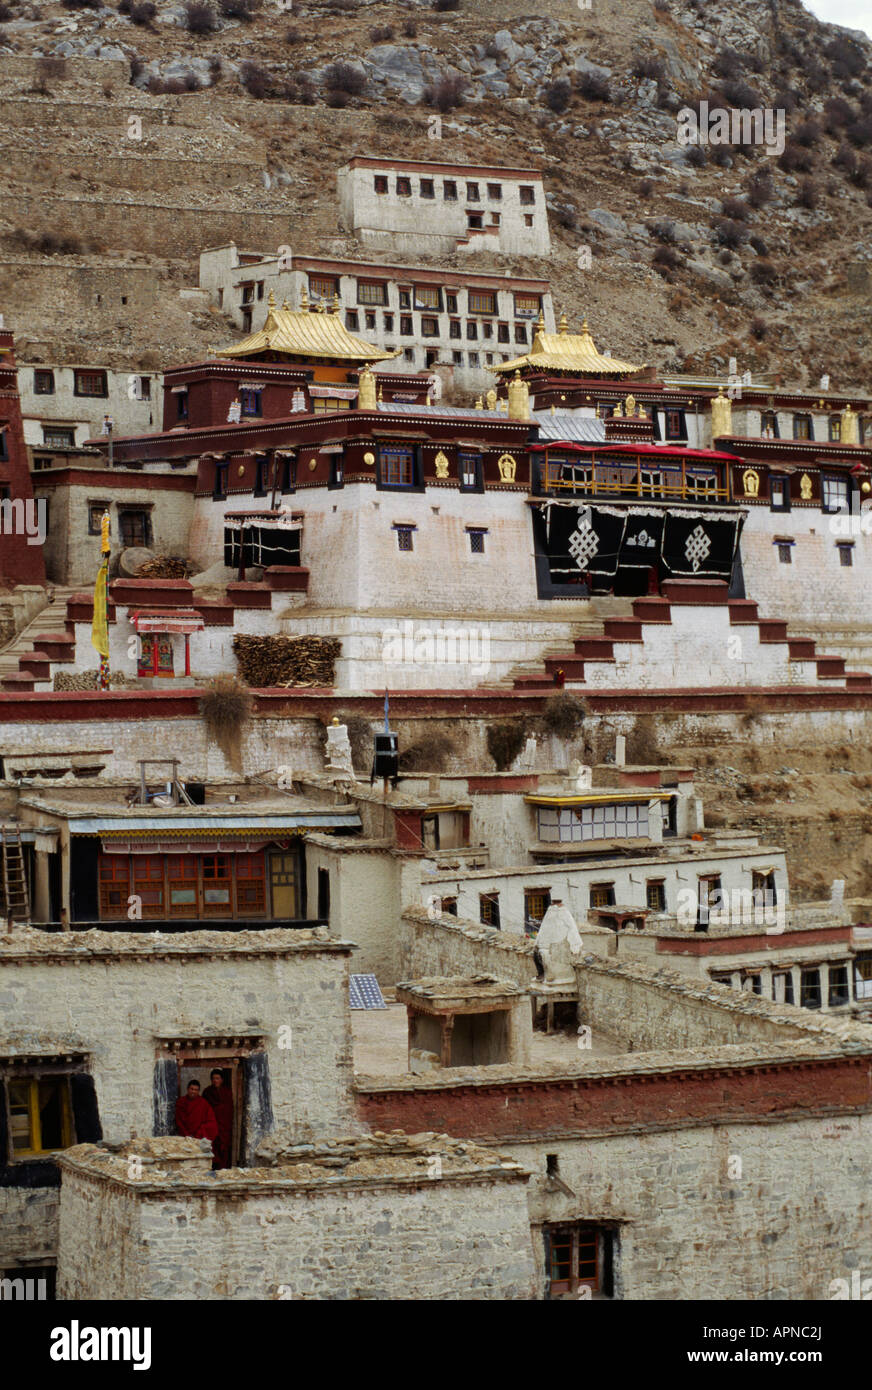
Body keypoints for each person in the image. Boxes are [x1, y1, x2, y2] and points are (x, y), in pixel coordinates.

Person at [203, 1070, 234, 1170]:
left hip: (225, 1125)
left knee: (224, 1147)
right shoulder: (207, 1092)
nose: (215, 1081)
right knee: (213, 1147)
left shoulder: (227, 1092)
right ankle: (213, 1168)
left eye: (217, 1078)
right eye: (213, 1079)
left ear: (222, 1080)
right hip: (213, 1124)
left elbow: (230, 1109)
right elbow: (205, 1109)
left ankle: (225, 1168)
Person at [174, 1079, 218, 1150]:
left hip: (199, 1138)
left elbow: (211, 1122)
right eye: (192, 1089)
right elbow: (179, 1120)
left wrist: (199, 1133)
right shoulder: (181, 1102)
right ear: (187, 1089)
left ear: (198, 1091)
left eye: (196, 1090)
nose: (193, 1092)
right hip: (184, 1137)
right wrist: (187, 1135)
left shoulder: (204, 1103)